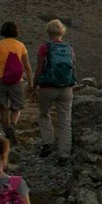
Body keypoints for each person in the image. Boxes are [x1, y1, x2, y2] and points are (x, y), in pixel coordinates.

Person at [33, 18, 76, 161]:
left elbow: (39, 69)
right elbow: (73, 67)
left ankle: (47, 144)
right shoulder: (69, 49)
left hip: (47, 87)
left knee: (44, 114)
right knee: (65, 122)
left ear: (48, 32)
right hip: (66, 88)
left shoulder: (44, 48)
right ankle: (64, 154)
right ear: (62, 32)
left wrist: (34, 85)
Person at [0, 21, 32, 143]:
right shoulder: (21, 46)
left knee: (3, 109)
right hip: (16, 82)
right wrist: (31, 83)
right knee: (16, 107)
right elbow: (27, 67)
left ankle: (7, 136)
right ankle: (12, 125)